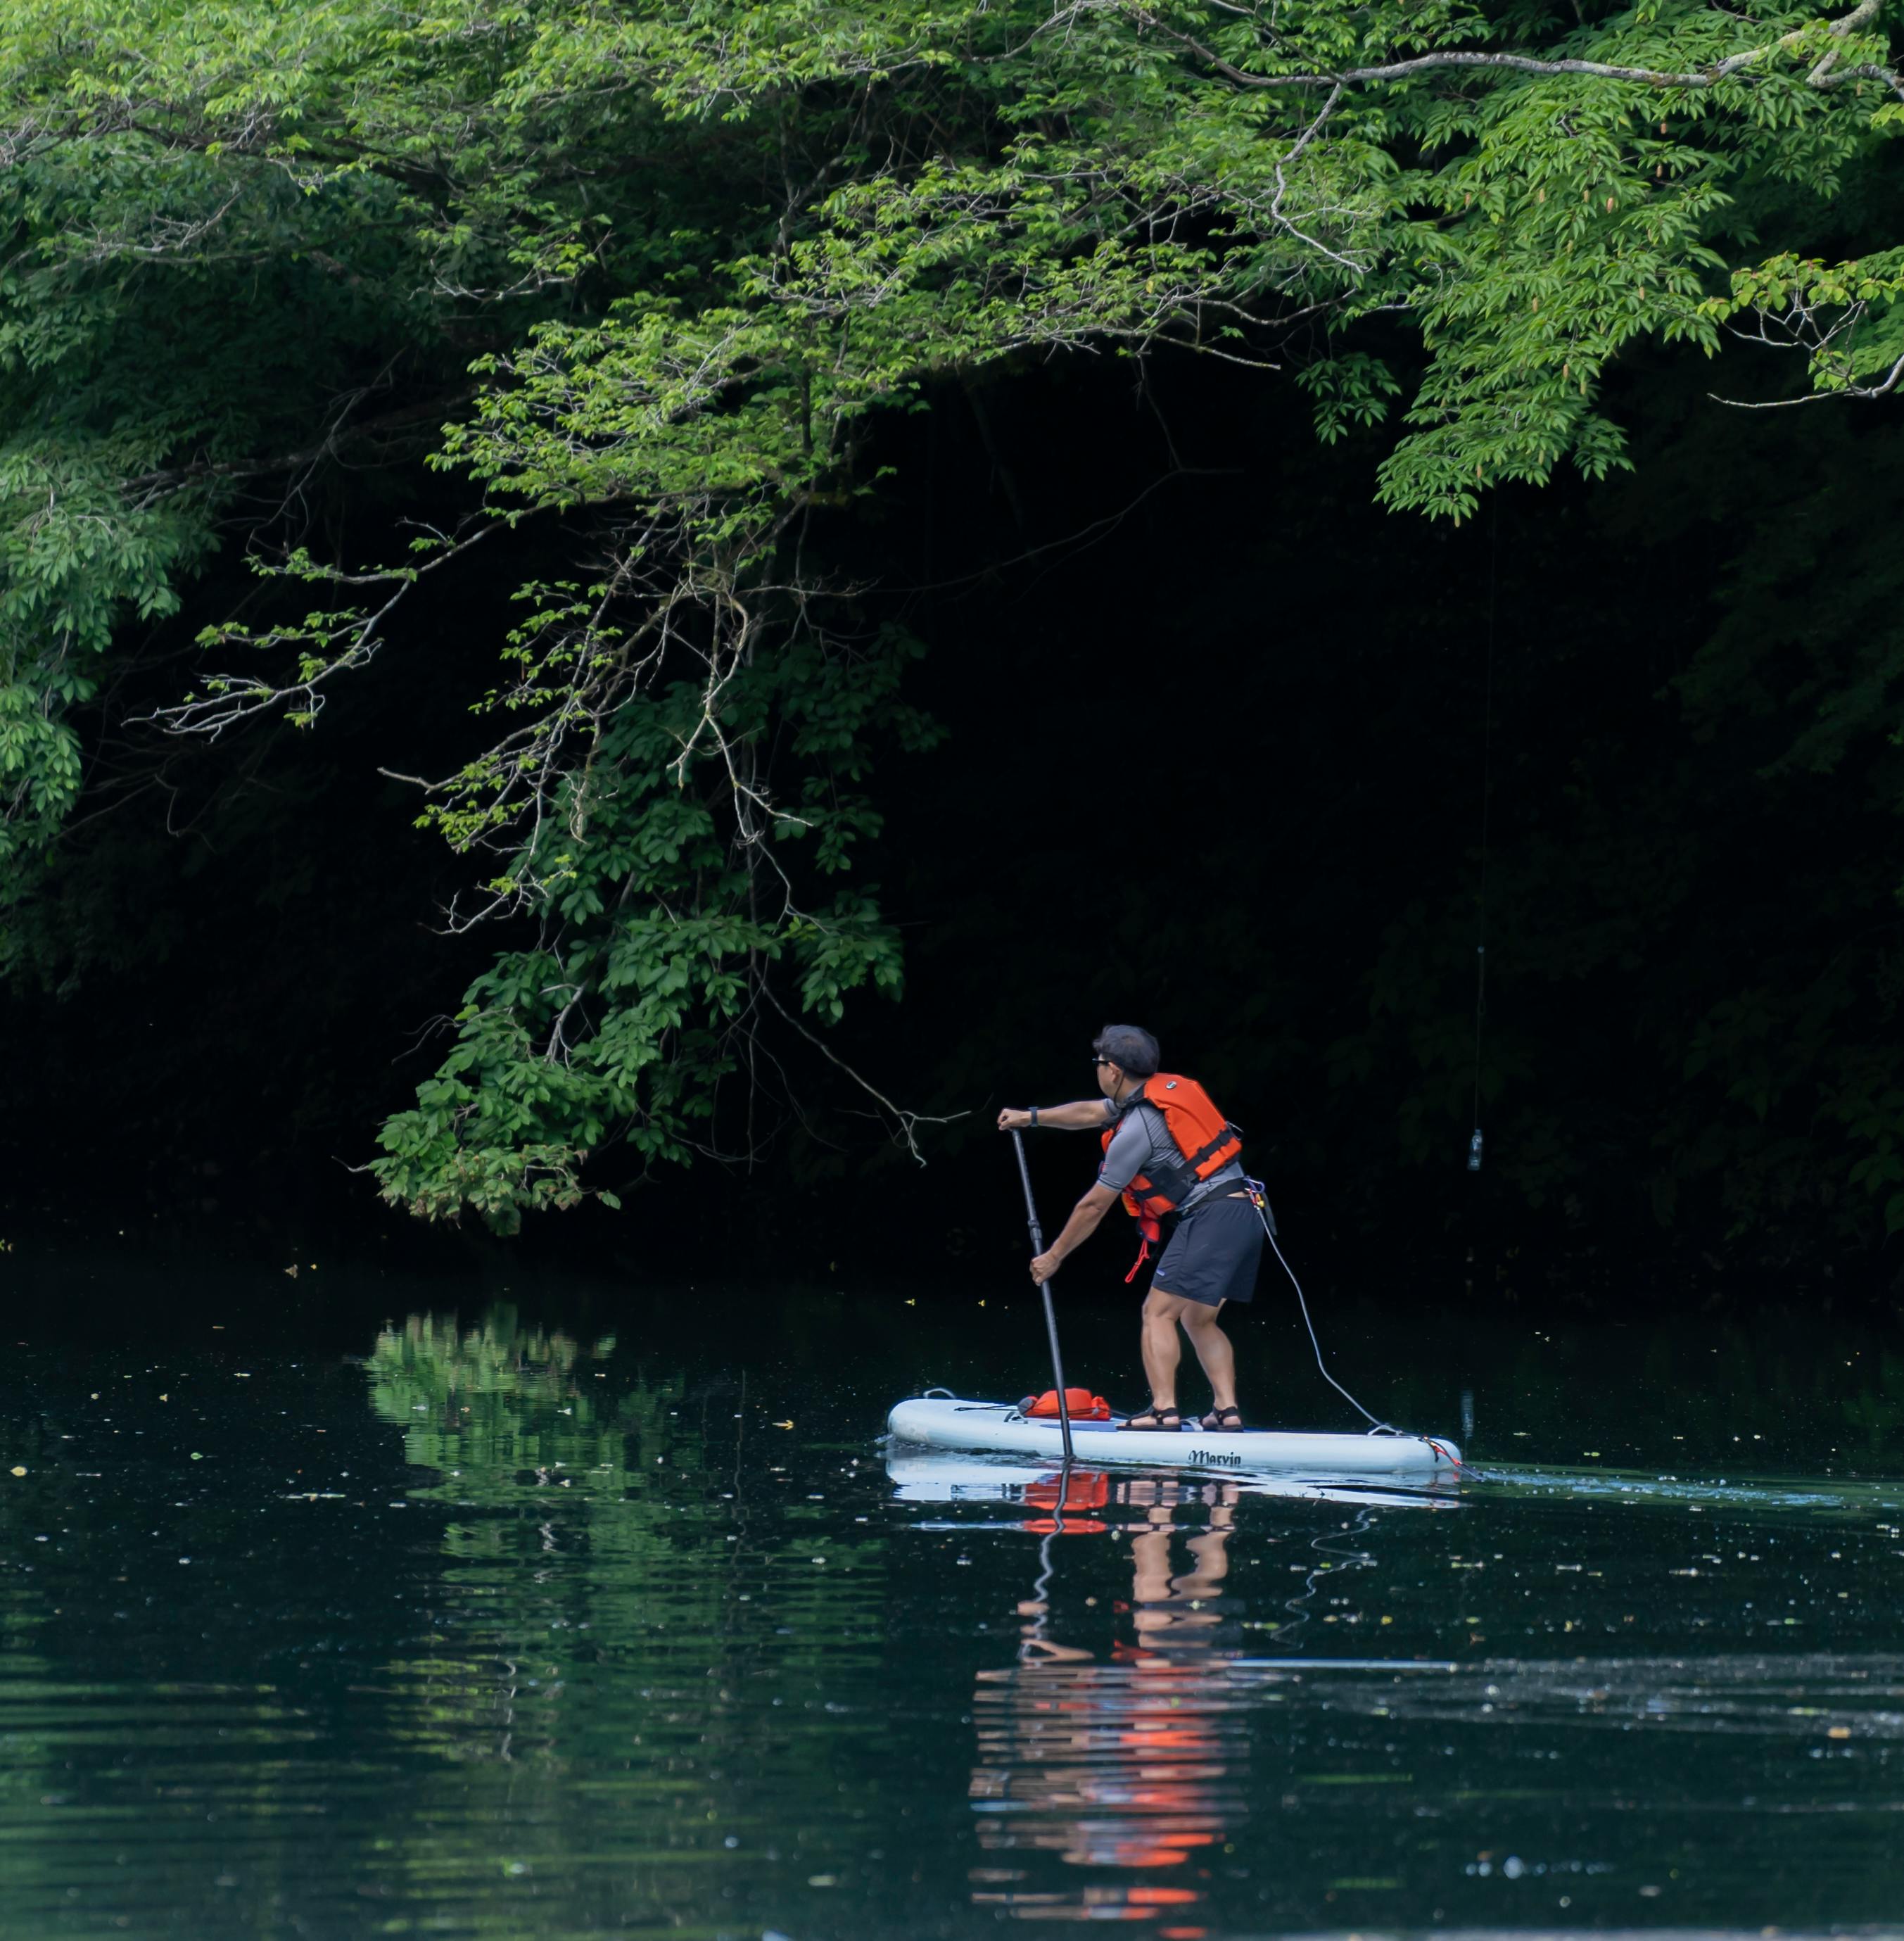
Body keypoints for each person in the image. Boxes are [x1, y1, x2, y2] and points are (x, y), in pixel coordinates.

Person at [996, 1025, 1263, 1432]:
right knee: (1197, 1318)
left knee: (1157, 1313)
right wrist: (1030, 1118)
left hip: (1212, 1218)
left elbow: (1093, 1205)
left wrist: (1053, 1257)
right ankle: (1226, 1414)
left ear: (1114, 1070)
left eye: (1099, 1063)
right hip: (1247, 1214)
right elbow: (1089, 1113)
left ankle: (1163, 1412)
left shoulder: (1136, 1130)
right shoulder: (1153, 1094)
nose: (1098, 1070)